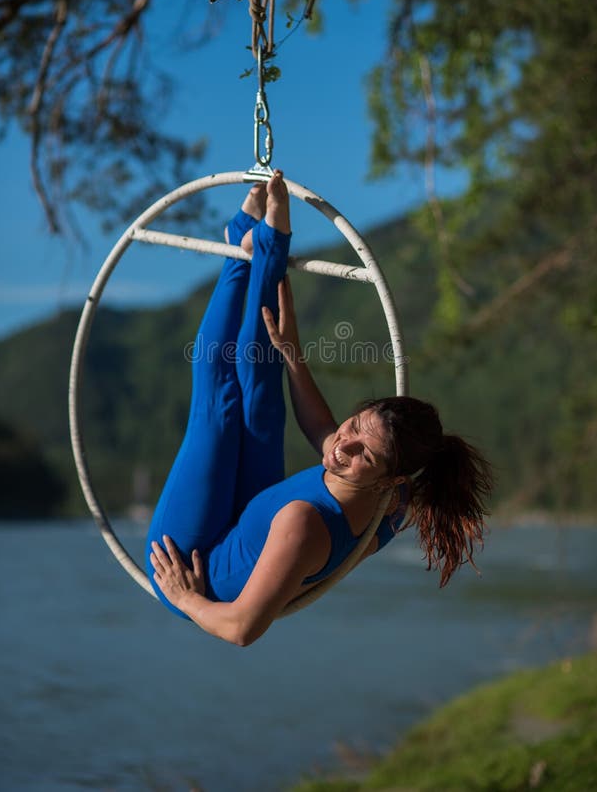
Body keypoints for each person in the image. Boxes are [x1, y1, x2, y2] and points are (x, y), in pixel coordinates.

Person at [146, 170, 492, 646]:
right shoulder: (392, 500)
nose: (340, 447)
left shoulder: (303, 524)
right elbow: (323, 429)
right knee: (264, 393)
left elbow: (242, 628)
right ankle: (256, 243)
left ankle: (248, 256)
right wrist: (294, 354)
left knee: (221, 410)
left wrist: (183, 598)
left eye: (361, 455)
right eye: (353, 428)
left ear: (390, 477)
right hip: (252, 519)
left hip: (192, 568)